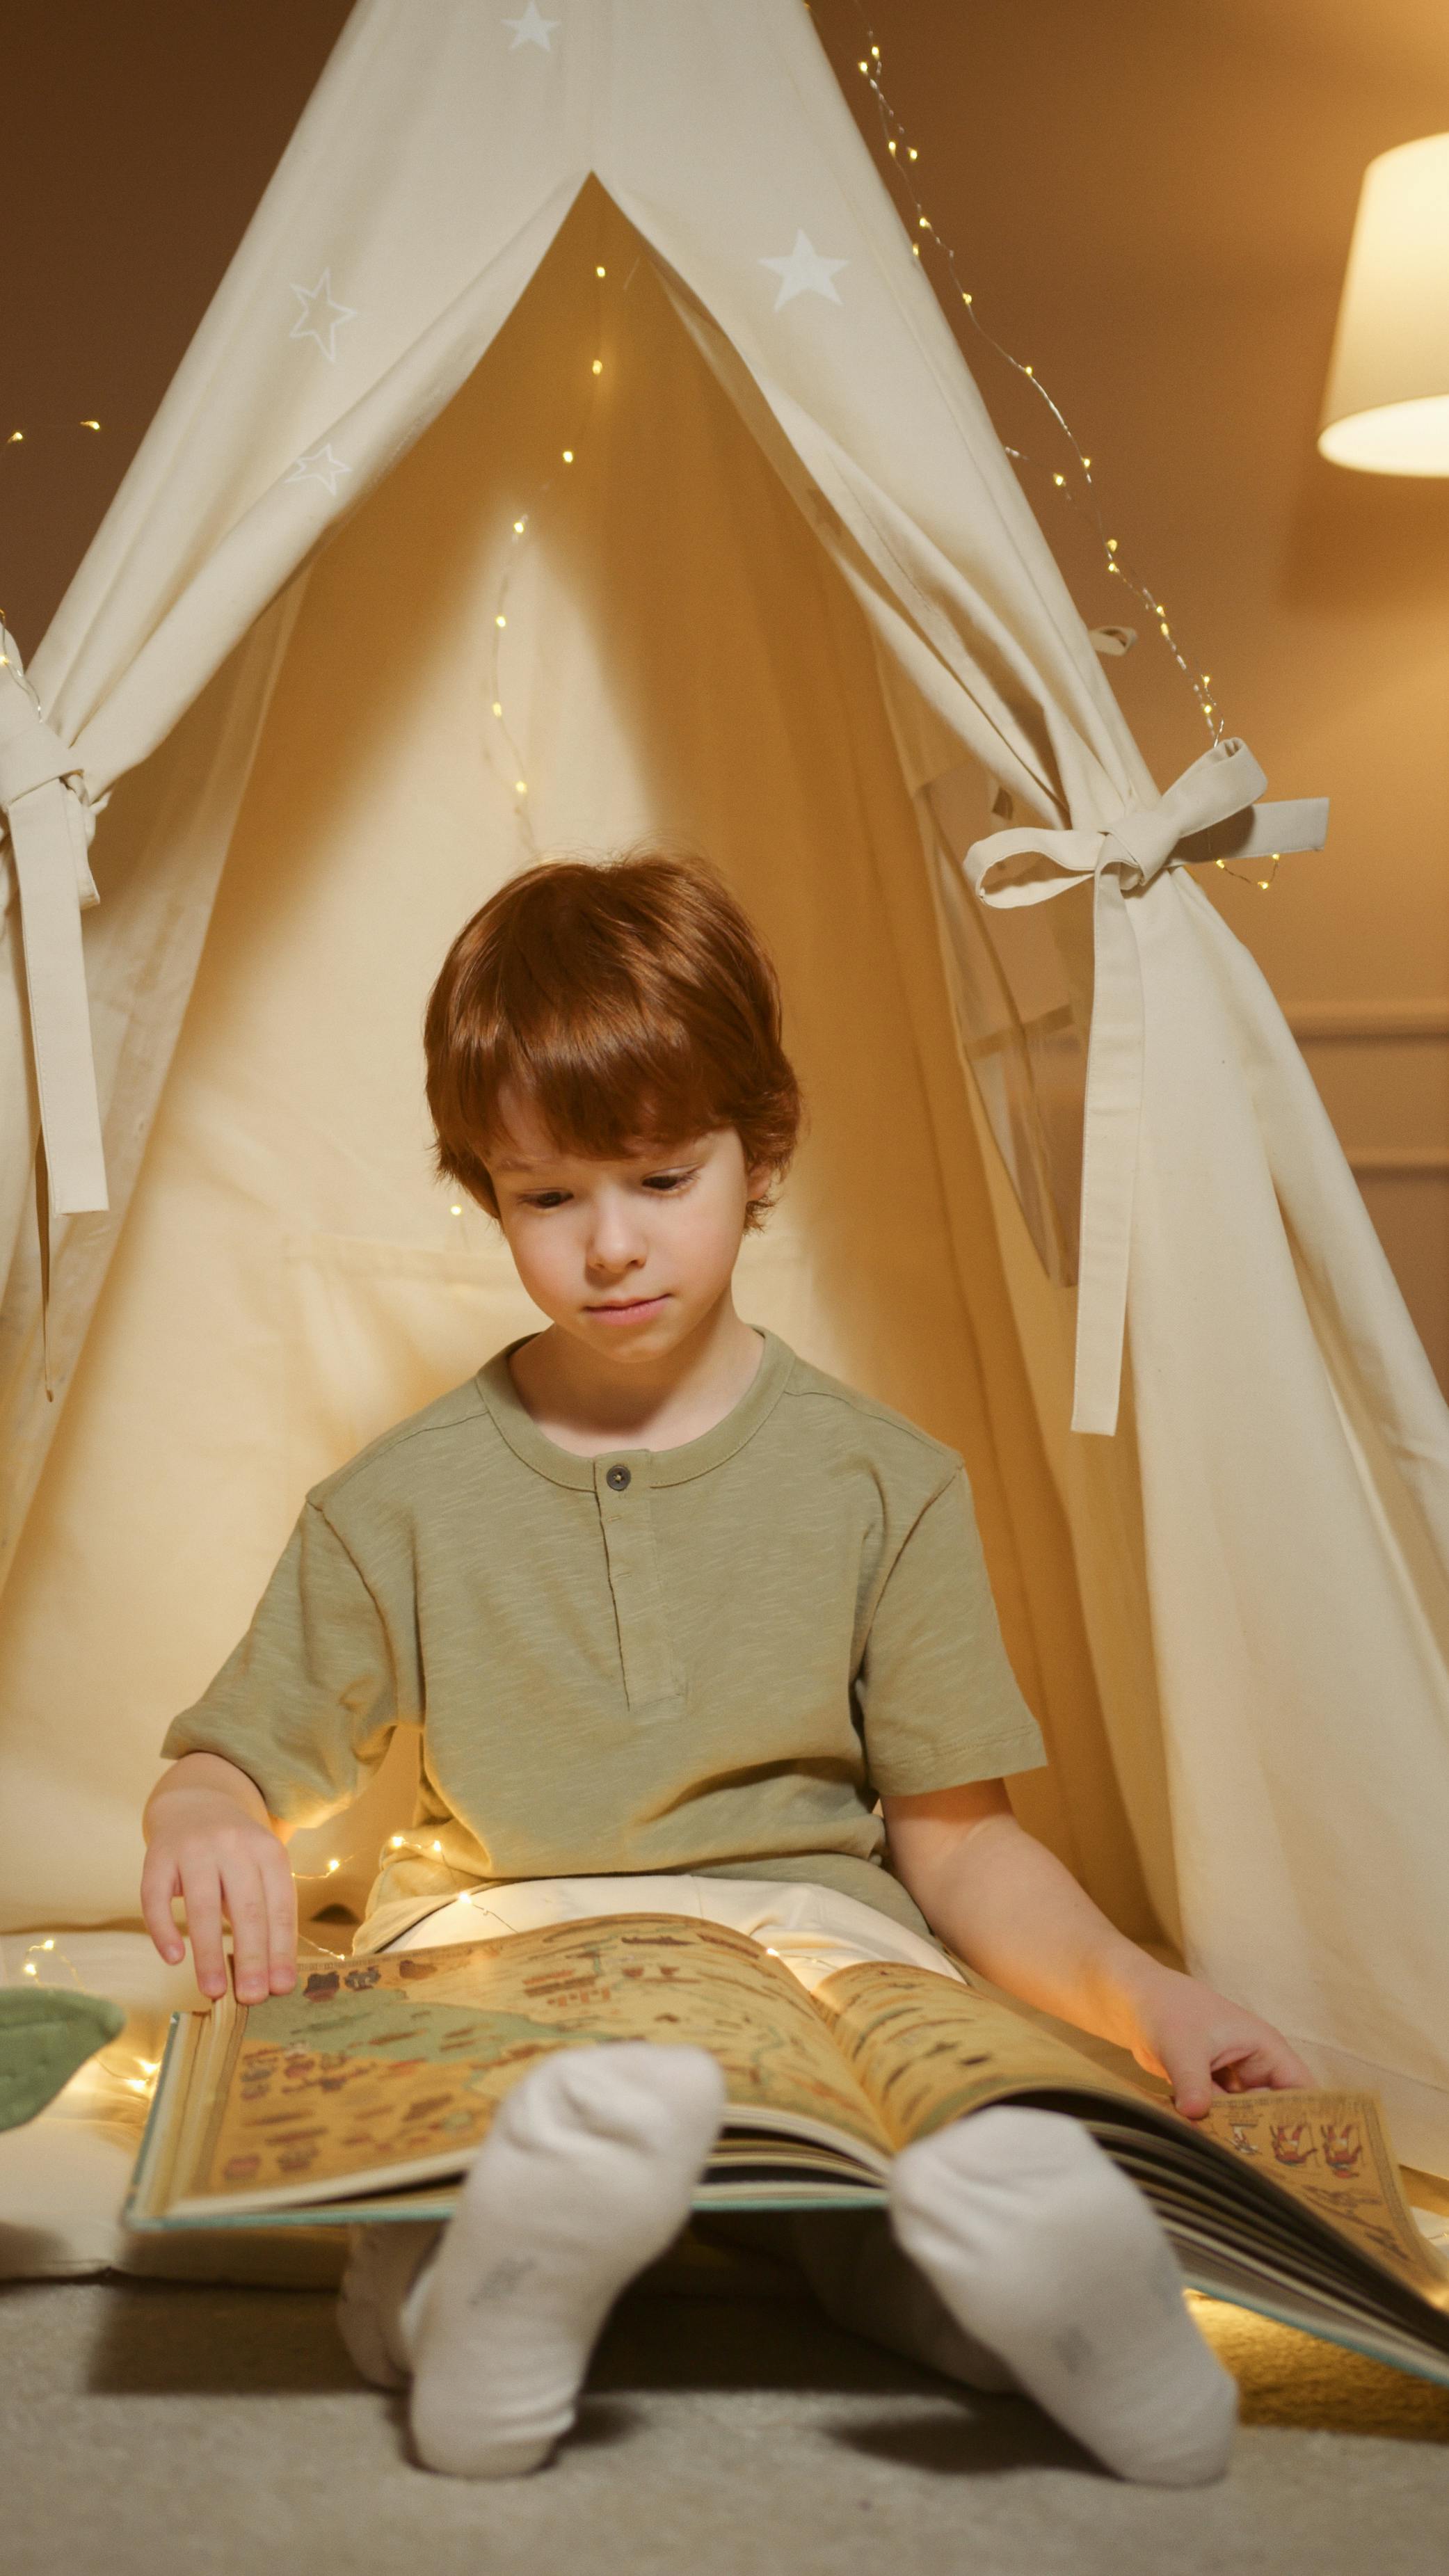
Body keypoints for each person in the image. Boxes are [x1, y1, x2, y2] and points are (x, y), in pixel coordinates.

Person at [140, 851, 1310, 2485]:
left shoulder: (885, 1481)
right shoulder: (395, 1499)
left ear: (760, 1152)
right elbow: (237, 1748)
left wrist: (1143, 1993)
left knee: (921, 2191)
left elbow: (959, 1839)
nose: (610, 1245)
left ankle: (1081, 2310)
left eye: (660, 1180)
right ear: (486, 1190)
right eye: (550, 1199)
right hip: (510, 1955)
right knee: (451, 2173)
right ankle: (491, 2302)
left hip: (814, 1962)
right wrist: (201, 1804)